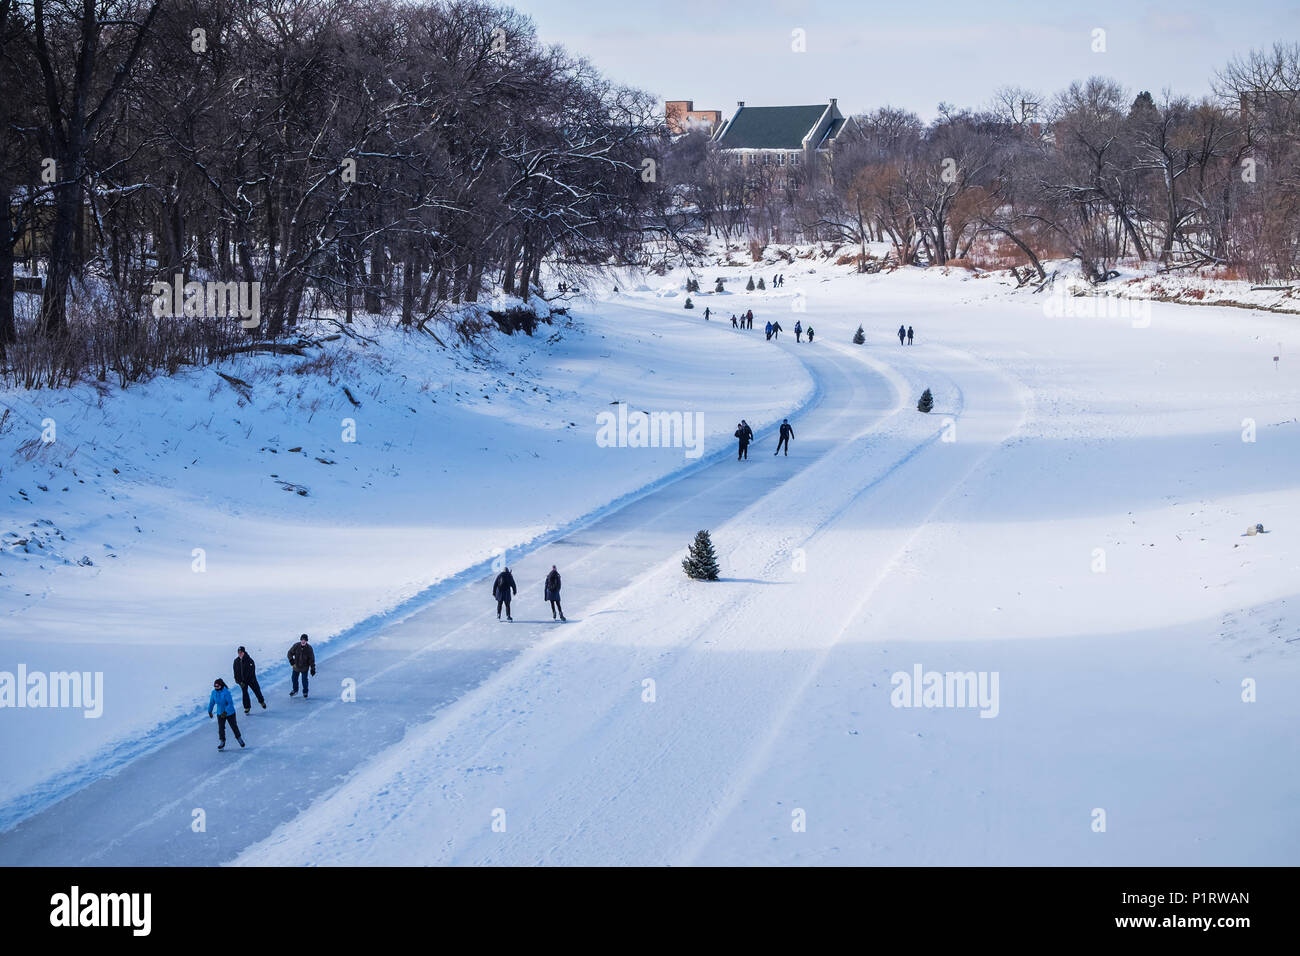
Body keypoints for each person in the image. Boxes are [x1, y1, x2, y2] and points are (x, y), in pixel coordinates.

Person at [208, 678, 245, 751]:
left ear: (221, 686)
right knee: (221, 728)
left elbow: (230, 703)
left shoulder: (226, 692)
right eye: (215, 686)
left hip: (230, 713)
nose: (216, 688)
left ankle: (239, 738)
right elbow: (211, 702)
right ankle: (222, 741)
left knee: (234, 726)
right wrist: (210, 711)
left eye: (217, 686)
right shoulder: (213, 693)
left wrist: (226, 712)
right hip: (220, 713)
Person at [233, 646, 266, 714]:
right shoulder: (236, 661)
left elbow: (252, 671)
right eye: (239, 652)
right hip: (242, 682)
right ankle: (247, 707)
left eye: (241, 652)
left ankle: (261, 701)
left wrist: (250, 679)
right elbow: (235, 672)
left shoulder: (249, 660)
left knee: (257, 690)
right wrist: (238, 681)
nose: (240, 654)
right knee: (245, 694)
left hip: (251, 680)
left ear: (244, 652)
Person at [287, 633, 315, 699]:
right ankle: (295, 690)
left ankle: (305, 692)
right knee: (294, 679)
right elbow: (289, 653)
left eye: (304, 640)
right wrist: (291, 660)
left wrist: (312, 669)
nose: (303, 641)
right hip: (296, 667)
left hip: (304, 668)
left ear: (306, 641)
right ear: (300, 640)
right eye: (302, 640)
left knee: (304, 680)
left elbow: (312, 659)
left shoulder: (309, 648)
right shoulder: (296, 646)